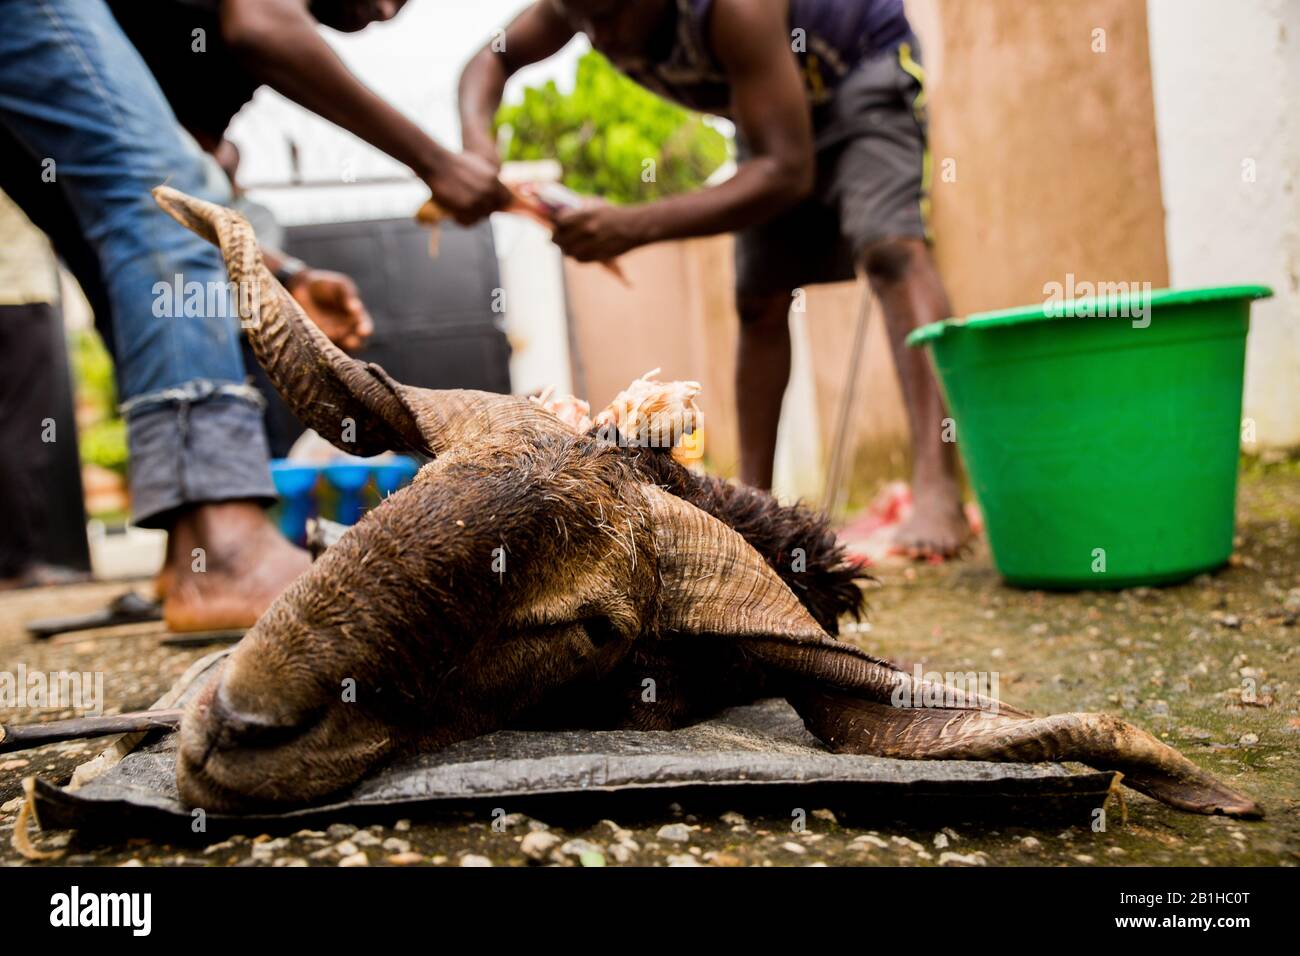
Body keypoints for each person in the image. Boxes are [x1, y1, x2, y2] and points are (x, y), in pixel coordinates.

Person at [0, 0, 508, 629]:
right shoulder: (256, 21)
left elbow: (182, 203)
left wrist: (289, 277)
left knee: (134, 242)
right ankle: (226, 551)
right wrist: (438, 163)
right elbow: (259, 28)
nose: (384, 9)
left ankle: (188, 553)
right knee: (161, 201)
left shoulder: (201, 56)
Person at [459, 0, 972, 558]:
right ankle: (752, 509)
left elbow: (786, 171)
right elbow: (489, 60)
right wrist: (479, 152)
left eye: (610, 16)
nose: (599, 35)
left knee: (890, 249)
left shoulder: (736, 10)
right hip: (772, 112)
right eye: (584, 23)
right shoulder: (584, 6)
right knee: (759, 297)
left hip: (859, 70)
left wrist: (632, 224)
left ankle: (938, 488)